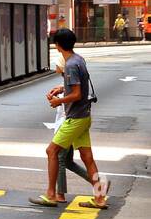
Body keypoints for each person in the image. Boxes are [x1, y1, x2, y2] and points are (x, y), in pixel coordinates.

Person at [30, 28, 107, 209]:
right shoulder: (78, 59)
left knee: (52, 151)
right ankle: (99, 197)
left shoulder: (71, 64)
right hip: (84, 115)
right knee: (87, 157)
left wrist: (59, 101)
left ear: (57, 46)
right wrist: (62, 88)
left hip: (75, 118)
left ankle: (51, 194)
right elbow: (77, 87)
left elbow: (78, 94)